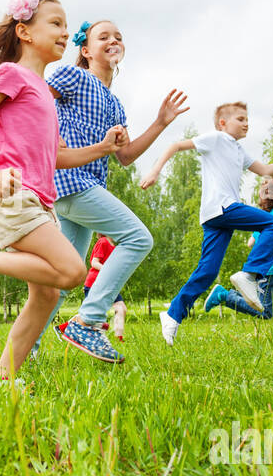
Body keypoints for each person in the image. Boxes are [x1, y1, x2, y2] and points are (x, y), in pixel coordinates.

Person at [0, 0, 125, 383]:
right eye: (55, 23)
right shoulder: (12, 75)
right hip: (11, 197)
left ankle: (4, 378)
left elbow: (57, 157)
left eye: (66, 25)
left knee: (46, 296)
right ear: (24, 31)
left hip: (41, 202)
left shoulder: (42, 92)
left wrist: (103, 148)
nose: (65, 32)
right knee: (72, 272)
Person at [36, 19, 189, 361]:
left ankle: (26, 346)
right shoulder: (73, 76)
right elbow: (36, 99)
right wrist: (52, 138)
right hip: (71, 182)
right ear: (86, 50)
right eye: (103, 36)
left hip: (86, 187)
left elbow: (126, 156)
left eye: (118, 36)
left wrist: (161, 122)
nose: (113, 40)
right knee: (138, 238)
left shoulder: (116, 105)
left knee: (65, 276)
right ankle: (88, 321)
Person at [140, 101, 273, 346]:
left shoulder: (238, 150)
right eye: (240, 119)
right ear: (223, 123)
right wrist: (155, 170)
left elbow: (265, 169)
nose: (246, 123)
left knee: (208, 271)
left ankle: (172, 315)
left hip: (215, 217)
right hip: (223, 207)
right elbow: (176, 145)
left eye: (247, 119)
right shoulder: (217, 139)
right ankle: (250, 275)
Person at [203, 174, 273, 343]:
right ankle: (224, 296)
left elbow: (252, 241)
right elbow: (269, 244)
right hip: (272, 271)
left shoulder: (269, 217)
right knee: (264, 311)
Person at [79, 235, 128, 342]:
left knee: (121, 308)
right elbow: (94, 262)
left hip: (108, 284)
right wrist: (108, 271)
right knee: (91, 314)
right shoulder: (103, 242)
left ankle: (119, 337)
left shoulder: (114, 246)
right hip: (95, 283)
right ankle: (66, 328)